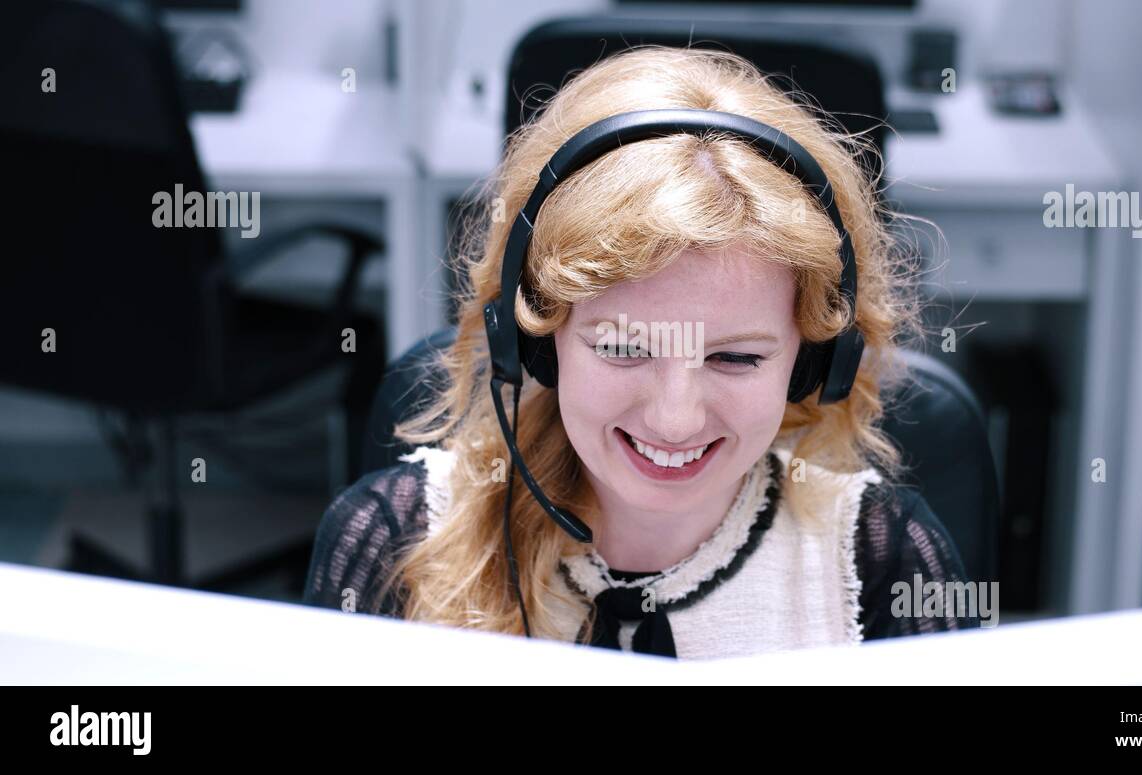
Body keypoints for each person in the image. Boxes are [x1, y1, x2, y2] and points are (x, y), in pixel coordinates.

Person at [304, 46, 977, 659]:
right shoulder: (389, 540)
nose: (676, 419)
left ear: (813, 361)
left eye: (735, 358)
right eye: (625, 347)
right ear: (536, 340)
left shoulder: (887, 564)